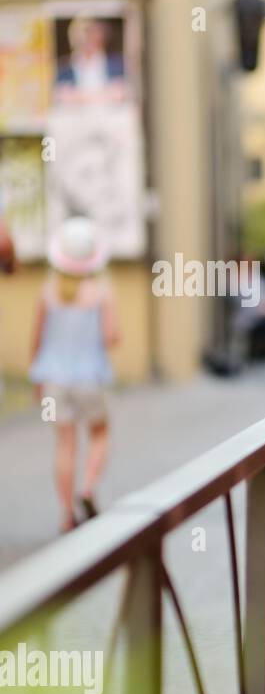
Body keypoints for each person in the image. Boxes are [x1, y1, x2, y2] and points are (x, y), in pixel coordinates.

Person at [30, 217, 118, 532]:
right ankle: (88, 488)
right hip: (89, 378)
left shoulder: (48, 291)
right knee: (99, 432)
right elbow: (111, 336)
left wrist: (35, 379)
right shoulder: (101, 292)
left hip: (53, 379)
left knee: (65, 445)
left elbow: (37, 339)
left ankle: (66, 514)